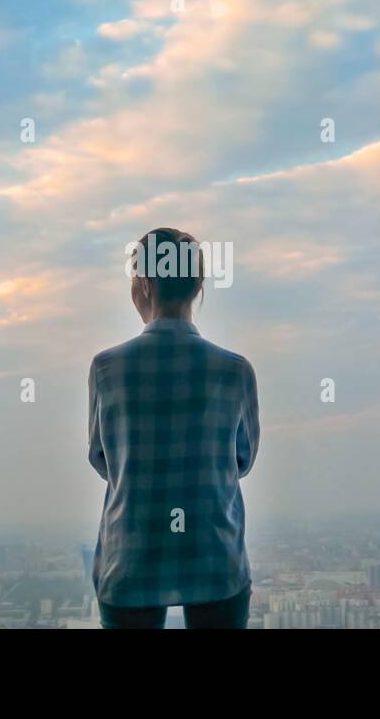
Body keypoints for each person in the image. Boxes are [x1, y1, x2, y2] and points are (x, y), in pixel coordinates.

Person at [87, 227, 260, 629]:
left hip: (130, 560)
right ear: (198, 286)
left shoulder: (107, 369)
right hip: (215, 559)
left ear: (144, 285)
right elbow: (242, 461)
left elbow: (102, 459)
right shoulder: (235, 371)